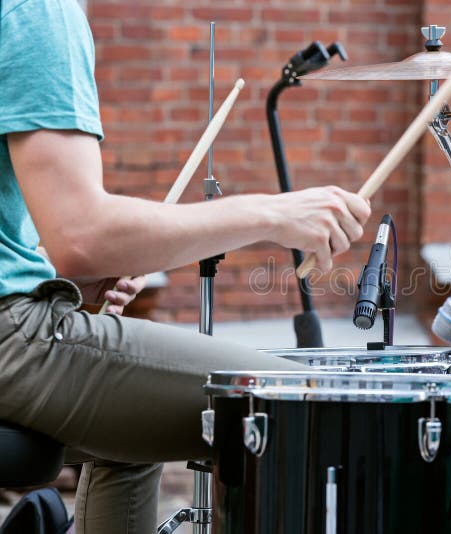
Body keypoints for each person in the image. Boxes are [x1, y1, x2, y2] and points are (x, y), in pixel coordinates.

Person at [0, 0, 371, 532]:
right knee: (308, 405)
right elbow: (81, 234)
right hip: (10, 337)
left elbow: (65, 242)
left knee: (131, 429)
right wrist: (272, 213)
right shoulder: (36, 10)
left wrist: (62, 270)